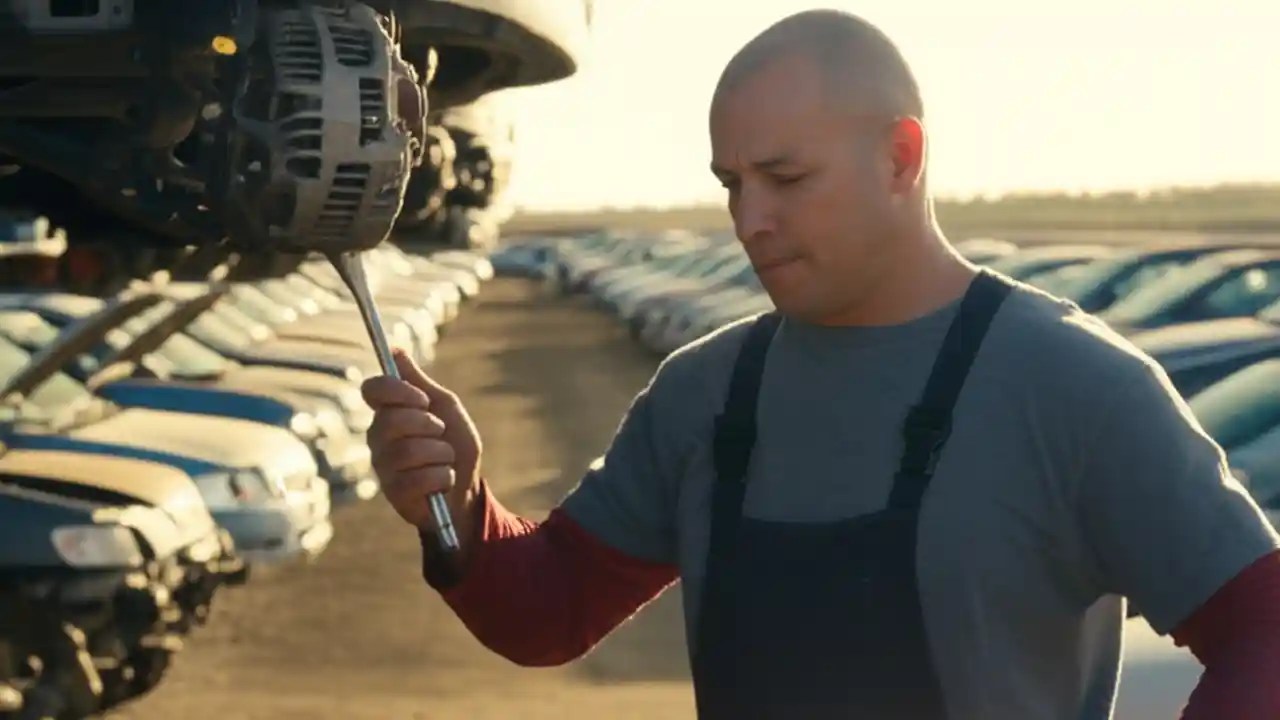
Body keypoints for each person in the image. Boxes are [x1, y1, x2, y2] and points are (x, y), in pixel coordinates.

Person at [361, 9, 1280, 719]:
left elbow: (1263, 629)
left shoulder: (1073, 388)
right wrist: (459, 509)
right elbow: (551, 610)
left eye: (785, 178)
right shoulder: (707, 394)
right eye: (731, 184)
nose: (749, 219)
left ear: (901, 156)